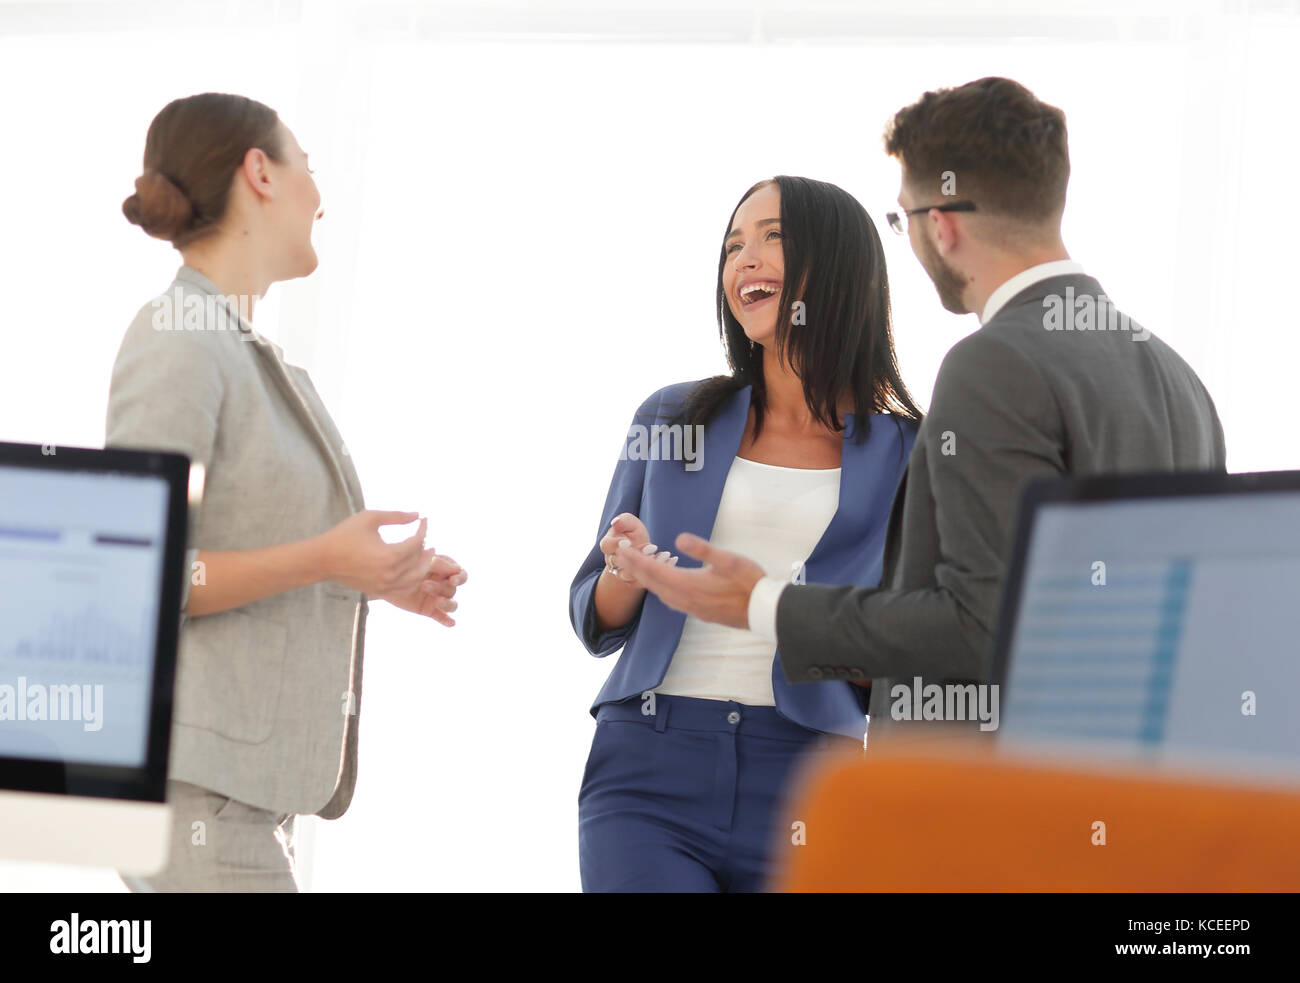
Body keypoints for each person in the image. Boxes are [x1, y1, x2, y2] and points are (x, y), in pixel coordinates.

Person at [614, 77, 1227, 742]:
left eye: (903, 218)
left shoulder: (991, 365)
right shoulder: (1180, 379)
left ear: (943, 224)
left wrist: (764, 602)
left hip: (996, 798)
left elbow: (976, 621)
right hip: (1136, 786)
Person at [108, 93, 466, 891]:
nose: (320, 196)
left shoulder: (237, 347)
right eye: (308, 166)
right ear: (259, 172)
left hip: (239, 805)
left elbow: (226, 549)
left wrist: (358, 574)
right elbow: (141, 576)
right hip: (196, 801)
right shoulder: (178, 337)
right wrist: (323, 557)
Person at [569, 176, 922, 891]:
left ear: (840, 264)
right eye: (734, 245)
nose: (745, 261)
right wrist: (624, 572)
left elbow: (912, 645)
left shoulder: (910, 451)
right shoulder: (671, 416)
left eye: (772, 238)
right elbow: (594, 617)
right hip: (647, 766)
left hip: (814, 777)